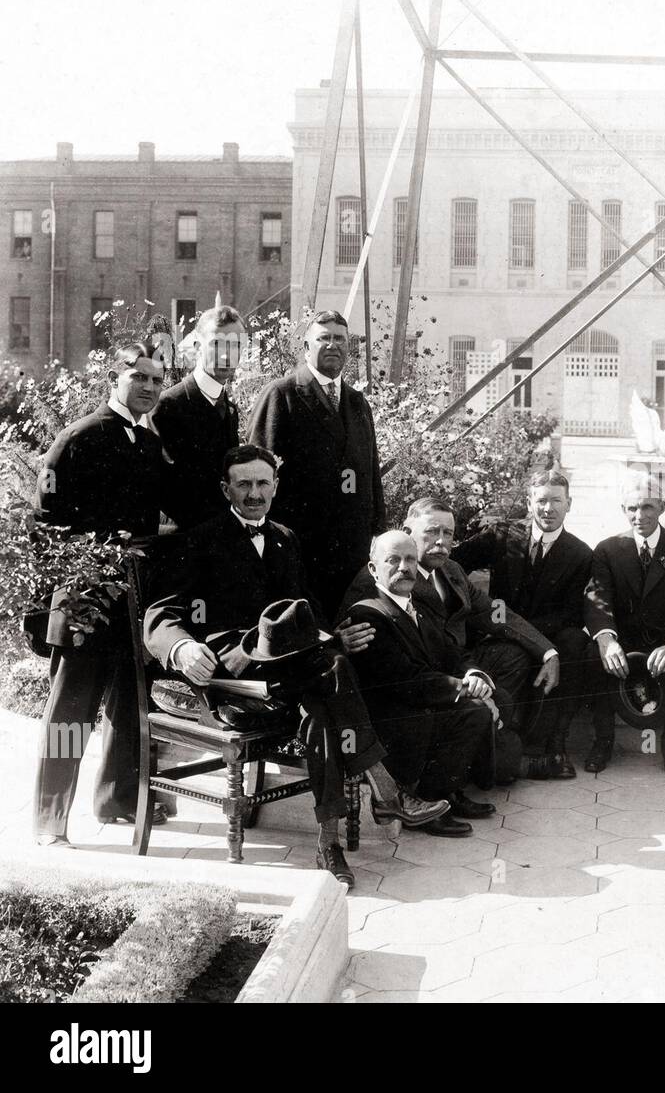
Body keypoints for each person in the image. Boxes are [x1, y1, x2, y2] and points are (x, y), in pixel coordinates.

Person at [143, 445, 450, 887]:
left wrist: (332, 636)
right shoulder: (200, 539)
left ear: (275, 487)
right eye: (244, 484)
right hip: (233, 668)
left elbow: (308, 613)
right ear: (225, 487)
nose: (254, 493)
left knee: (321, 712)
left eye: (263, 483)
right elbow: (159, 613)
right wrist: (181, 648)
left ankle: (330, 845)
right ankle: (385, 789)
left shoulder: (285, 538)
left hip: (291, 670)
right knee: (334, 671)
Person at [31, 339, 173, 845]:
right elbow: (46, 527)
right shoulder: (80, 438)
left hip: (135, 591)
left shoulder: (150, 443)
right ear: (115, 379)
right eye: (140, 378)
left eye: (157, 380)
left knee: (130, 699)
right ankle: (51, 819)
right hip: (86, 594)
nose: (150, 388)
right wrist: (75, 588)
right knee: (73, 708)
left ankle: (114, 800)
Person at [342, 497, 554, 788]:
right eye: (432, 532)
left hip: (455, 660)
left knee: (513, 657)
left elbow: (494, 612)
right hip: (418, 679)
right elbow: (356, 625)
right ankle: (496, 757)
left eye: (449, 534)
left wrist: (547, 651)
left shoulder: (451, 570)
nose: (441, 542)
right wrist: (339, 638)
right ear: (407, 531)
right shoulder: (386, 576)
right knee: (493, 736)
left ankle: (493, 744)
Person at [343, 531, 498, 838]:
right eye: (393, 560)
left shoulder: (415, 607)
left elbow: (452, 653)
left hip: (418, 709)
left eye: (410, 559)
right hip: (392, 723)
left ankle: (447, 794)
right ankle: (428, 802)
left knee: (479, 709)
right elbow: (405, 679)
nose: (404, 567)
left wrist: (474, 675)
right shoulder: (368, 613)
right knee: (473, 710)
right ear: (373, 569)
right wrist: (462, 689)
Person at [452, 469, 595, 780]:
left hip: (550, 634)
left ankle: (555, 743)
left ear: (569, 504)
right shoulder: (503, 536)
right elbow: (453, 562)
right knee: (509, 654)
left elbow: (573, 613)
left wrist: (530, 634)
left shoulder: (581, 553)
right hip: (500, 631)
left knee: (574, 643)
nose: (548, 509)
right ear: (530, 503)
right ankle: (506, 739)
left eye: (556, 501)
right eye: (541, 501)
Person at [248, 309, 385, 617]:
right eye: (324, 338)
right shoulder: (281, 395)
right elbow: (257, 475)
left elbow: (371, 472)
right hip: (302, 550)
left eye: (340, 339)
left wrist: (378, 529)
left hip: (352, 551)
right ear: (307, 347)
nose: (333, 345)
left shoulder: (356, 401)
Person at [584, 474, 665, 776]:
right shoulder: (608, 549)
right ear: (623, 510)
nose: (640, 516)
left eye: (648, 507)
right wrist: (606, 638)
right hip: (623, 642)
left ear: (662, 507)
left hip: (664, 641)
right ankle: (603, 740)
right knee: (592, 654)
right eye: (632, 508)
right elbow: (597, 597)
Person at [152, 304, 245, 530]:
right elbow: (168, 490)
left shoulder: (228, 408)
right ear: (197, 346)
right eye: (217, 344)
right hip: (184, 539)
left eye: (235, 345)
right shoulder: (169, 405)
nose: (226, 354)